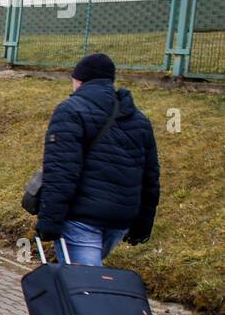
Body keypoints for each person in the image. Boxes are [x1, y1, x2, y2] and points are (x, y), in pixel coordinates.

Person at [35, 53, 160, 266]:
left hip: (81, 219)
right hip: (120, 219)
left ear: (79, 80)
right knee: (88, 283)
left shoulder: (70, 110)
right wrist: (143, 225)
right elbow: (150, 177)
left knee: (87, 289)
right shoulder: (138, 119)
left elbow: (61, 172)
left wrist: (49, 221)